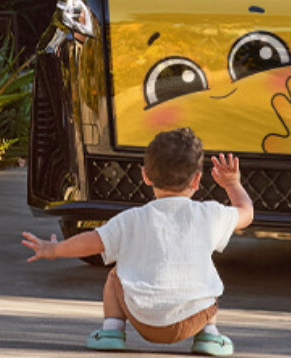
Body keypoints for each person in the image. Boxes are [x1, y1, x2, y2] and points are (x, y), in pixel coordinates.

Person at [21, 127, 254, 354]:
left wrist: (54, 249)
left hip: (144, 320)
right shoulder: (210, 214)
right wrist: (232, 184)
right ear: (197, 180)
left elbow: (92, 241)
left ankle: (112, 331)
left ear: (145, 176)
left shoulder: (130, 220)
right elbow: (246, 213)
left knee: (115, 275)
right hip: (195, 318)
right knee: (205, 277)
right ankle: (209, 335)